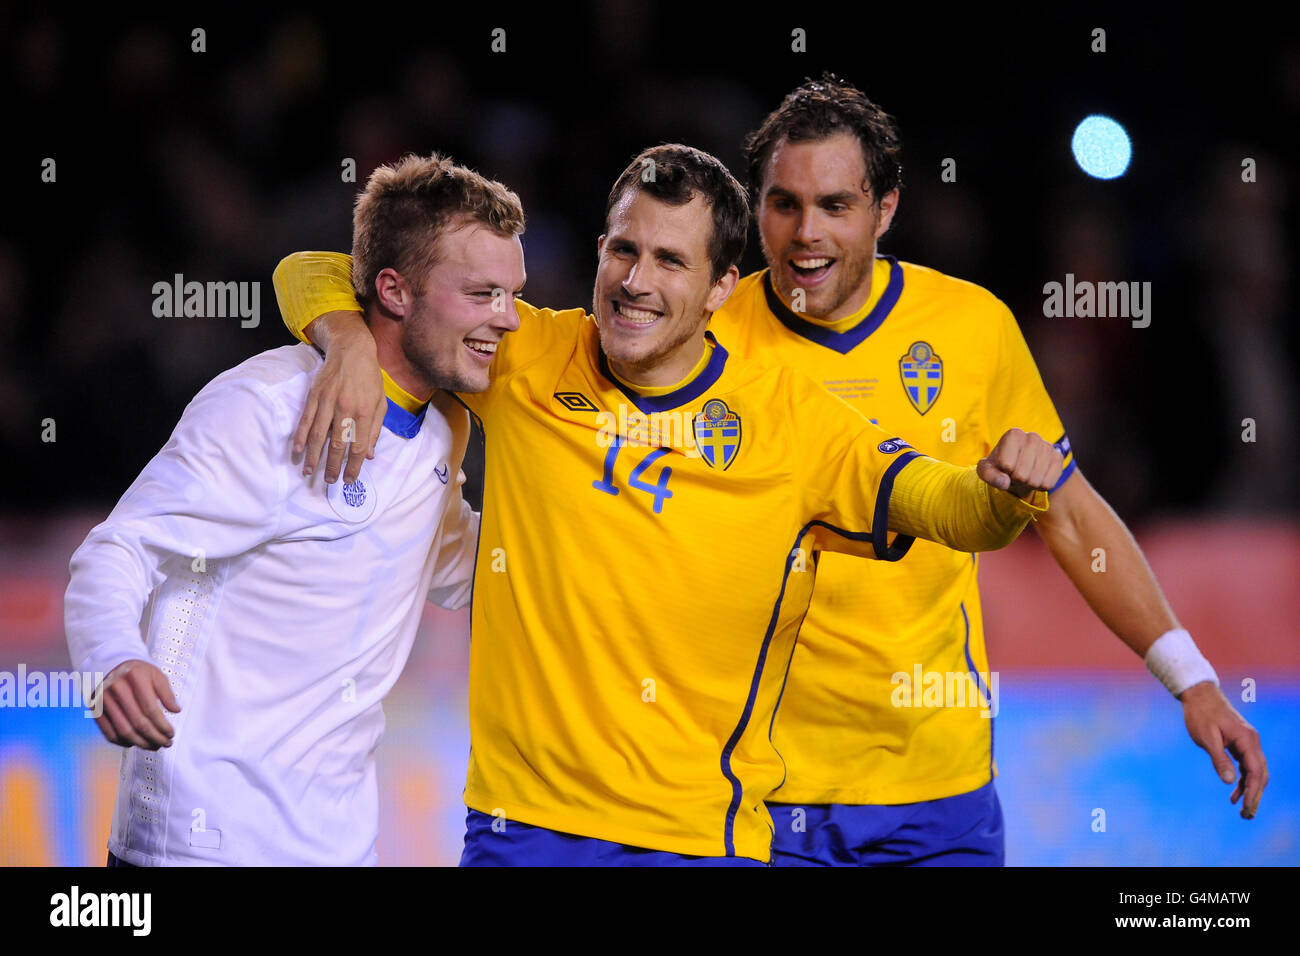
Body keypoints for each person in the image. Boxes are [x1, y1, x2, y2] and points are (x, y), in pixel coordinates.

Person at [273, 144, 1065, 865]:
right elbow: (311, 270)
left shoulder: (792, 421)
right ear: (599, 251)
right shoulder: (527, 355)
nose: (636, 281)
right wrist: (345, 341)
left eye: (670, 261)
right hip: (520, 832)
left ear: (723, 286)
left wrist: (1009, 494)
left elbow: (946, 507)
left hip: (696, 841)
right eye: (624, 249)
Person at [714, 74, 1266, 865]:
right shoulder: (706, 338)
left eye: (835, 205)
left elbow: (1071, 515)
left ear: (886, 210)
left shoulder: (971, 329)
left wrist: (1193, 678)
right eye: (783, 204)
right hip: (756, 796)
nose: (807, 232)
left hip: (938, 798)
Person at [63, 153, 525, 865]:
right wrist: (113, 659)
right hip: (200, 845)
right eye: (483, 293)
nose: (511, 319)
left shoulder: (445, 430)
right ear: (396, 292)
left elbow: (466, 566)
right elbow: (119, 548)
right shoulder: (267, 405)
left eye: (512, 294)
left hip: (341, 846)